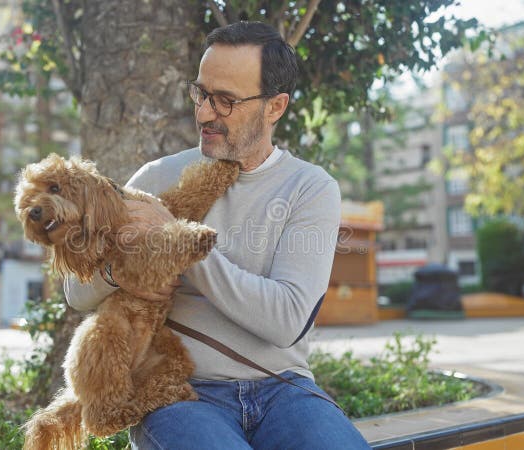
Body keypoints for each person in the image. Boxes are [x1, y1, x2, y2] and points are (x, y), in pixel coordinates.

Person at [65, 21, 371, 450]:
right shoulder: (157, 177)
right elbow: (76, 290)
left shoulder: (310, 188)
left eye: (225, 100)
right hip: (179, 393)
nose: (204, 113)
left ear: (275, 106)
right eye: (201, 94)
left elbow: (286, 319)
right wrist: (120, 272)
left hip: (284, 389)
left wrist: (179, 243)